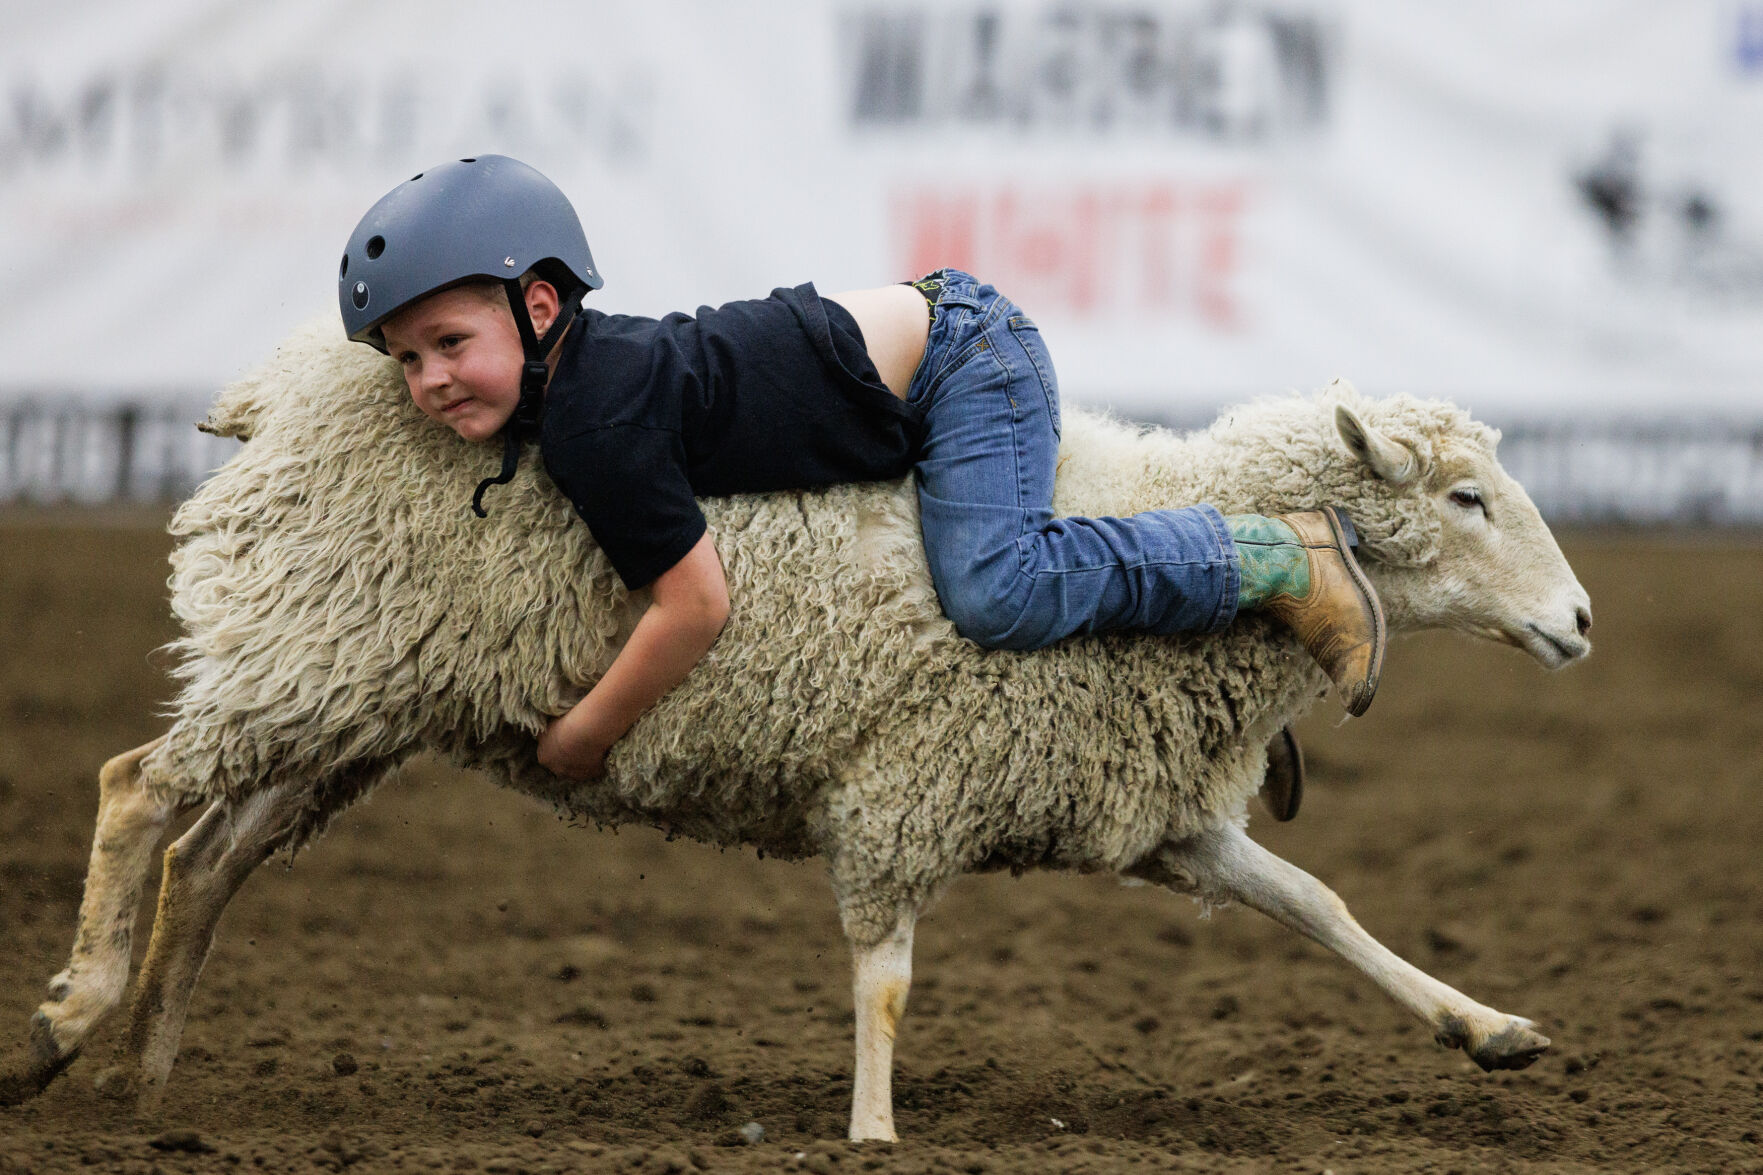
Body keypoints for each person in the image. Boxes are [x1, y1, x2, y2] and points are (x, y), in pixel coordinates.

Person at [338, 156, 1384, 785]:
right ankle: (1204, 662)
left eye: (447, 341)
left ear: (538, 306)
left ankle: (1273, 556)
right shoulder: (582, 380)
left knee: (995, 590)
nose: (428, 380)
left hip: (960, 361)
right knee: (977, 585)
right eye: (406, 359)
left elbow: (693, 605)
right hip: (923, 358)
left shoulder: (595, 419)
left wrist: (582, 730)